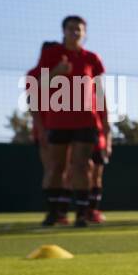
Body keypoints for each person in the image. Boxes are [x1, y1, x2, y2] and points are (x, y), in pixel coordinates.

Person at [27, 15, 109, 226]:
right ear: (63, 31)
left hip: (86, 120)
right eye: (71, 28)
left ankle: (82, 213)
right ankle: (54, 213)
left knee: (82, 166)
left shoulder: (92, 58)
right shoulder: (51, 54)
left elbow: (100, 93)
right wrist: (56, 72)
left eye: (79, 29)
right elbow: (36, 87)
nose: (75, 32)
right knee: (56, 167)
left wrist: (106, 125)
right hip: (58, 120)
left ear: (84, 33)